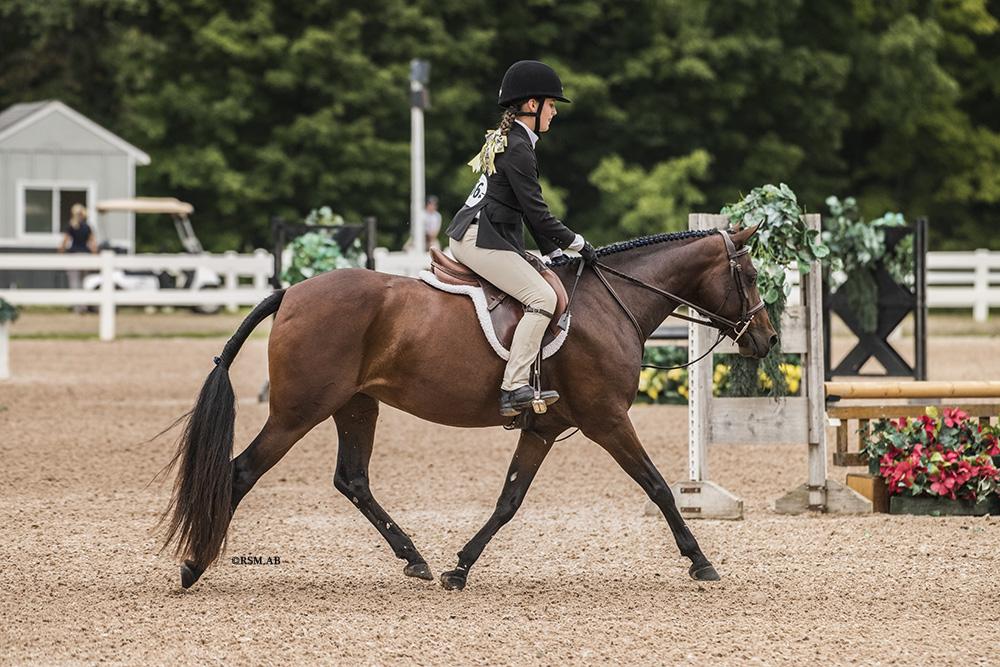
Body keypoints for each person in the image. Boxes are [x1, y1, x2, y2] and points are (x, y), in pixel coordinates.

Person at [446, 60, 598, 417]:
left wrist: (552, 252)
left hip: (487, 233)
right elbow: (537, 213)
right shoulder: (517, 148)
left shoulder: (513, 140)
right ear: (532, 104)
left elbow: (523, 213)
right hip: (479, 237)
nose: (555, 112)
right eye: (552, 104)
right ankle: (514, 386)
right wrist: (577, 242)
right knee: (543, 298)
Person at [58, 203, 97, 312]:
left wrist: (60, 252)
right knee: (84, 281)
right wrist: (95, 256)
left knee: (74, 281)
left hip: (74, 256)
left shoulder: (70, 226)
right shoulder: (88, 227)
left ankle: (77, 306)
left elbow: (64, 242)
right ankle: (84, 305)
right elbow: (93, 244)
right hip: (85, 255)